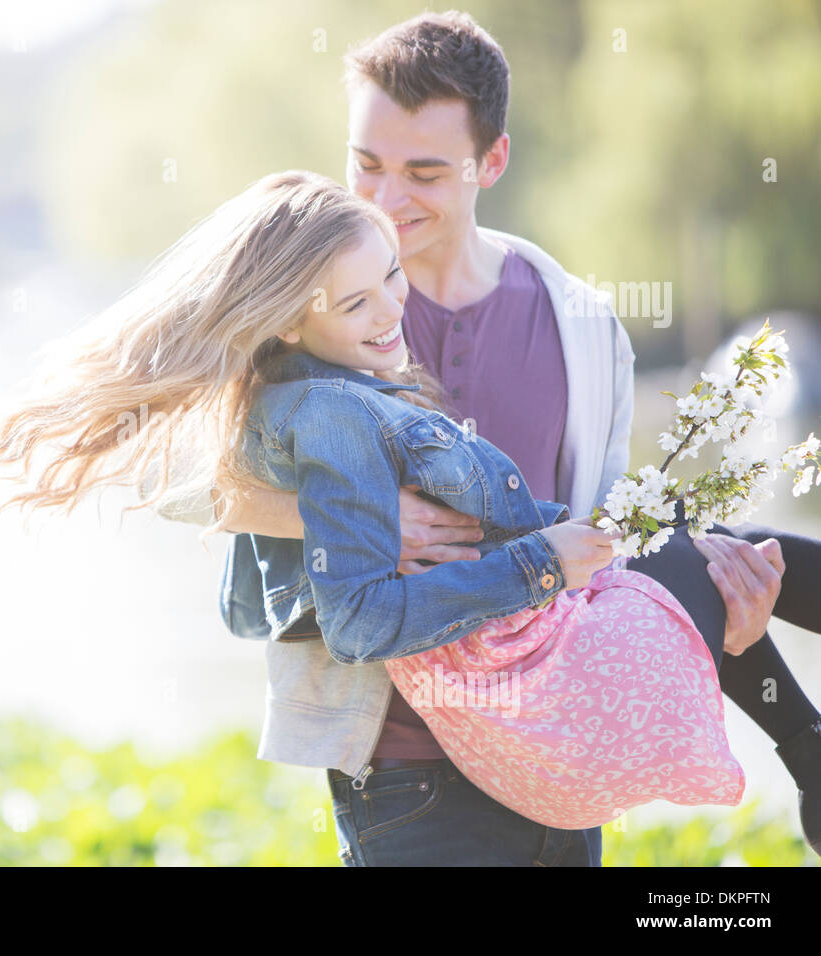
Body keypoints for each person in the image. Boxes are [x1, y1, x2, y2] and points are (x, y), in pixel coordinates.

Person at [0, 168, 821, 864]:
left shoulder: (493, 335)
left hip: (527, 691)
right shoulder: (330, 411)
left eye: (390, 281)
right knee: (715, 550)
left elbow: (257, 590)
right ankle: (806, 746)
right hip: (476, 725)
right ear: (290, 318)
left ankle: (807, 748)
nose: (389, 311)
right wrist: (541, 561)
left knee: (713, 547)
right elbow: (361, 618)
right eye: (357, 302)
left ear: (492, 159)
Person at [158, 11, 821, 865]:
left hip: (566, 750)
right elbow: (179, 475)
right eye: (367, 164)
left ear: (492, 162)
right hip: (404, 771)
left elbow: (598, 538)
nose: (386, 200)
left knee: (695, 547)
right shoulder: (303, 309)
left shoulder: (578, 320)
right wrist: (348, 517)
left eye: (424, 173)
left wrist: (725, 614)